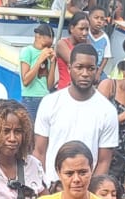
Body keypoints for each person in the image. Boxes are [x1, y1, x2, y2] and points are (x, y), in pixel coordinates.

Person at [33, 42, 117, 179]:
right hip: (51, 186)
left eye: (90, 68)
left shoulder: (108, 111)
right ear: (69, 68)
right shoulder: (50, 103)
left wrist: (90, 190)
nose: (85, 73)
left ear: (97, 71)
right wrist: (43, 186)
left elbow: (104, 161)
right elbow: (39, 152)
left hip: (86, 188)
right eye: (79, 67)